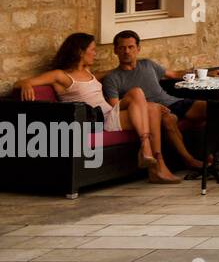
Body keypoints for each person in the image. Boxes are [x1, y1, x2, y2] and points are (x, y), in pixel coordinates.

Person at [17, 34, 183, 183]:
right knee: (138, 94)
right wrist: (26, 84)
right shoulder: (60, 75)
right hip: (99, 120)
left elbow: (110, 73)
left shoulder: (88, 72)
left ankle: (156, 167)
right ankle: (148, 151)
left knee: (153, 108)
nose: (95, 54)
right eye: (92, 50)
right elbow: (22, 83)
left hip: (110, 113)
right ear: (80, 52)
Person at [101, 31, 208, 172]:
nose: (126, 51)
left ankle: (214, 156)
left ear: (138, 49)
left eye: (131, 47)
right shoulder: (112, 78)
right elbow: (116, 108)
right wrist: (151, 106)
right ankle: (189, 161)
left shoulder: (148, 64)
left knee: (212, 109)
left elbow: (174, 74)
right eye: (122, 48)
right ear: (115, 50)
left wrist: (206, 74)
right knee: (168, 120)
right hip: (155, 113)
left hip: (174, 102)